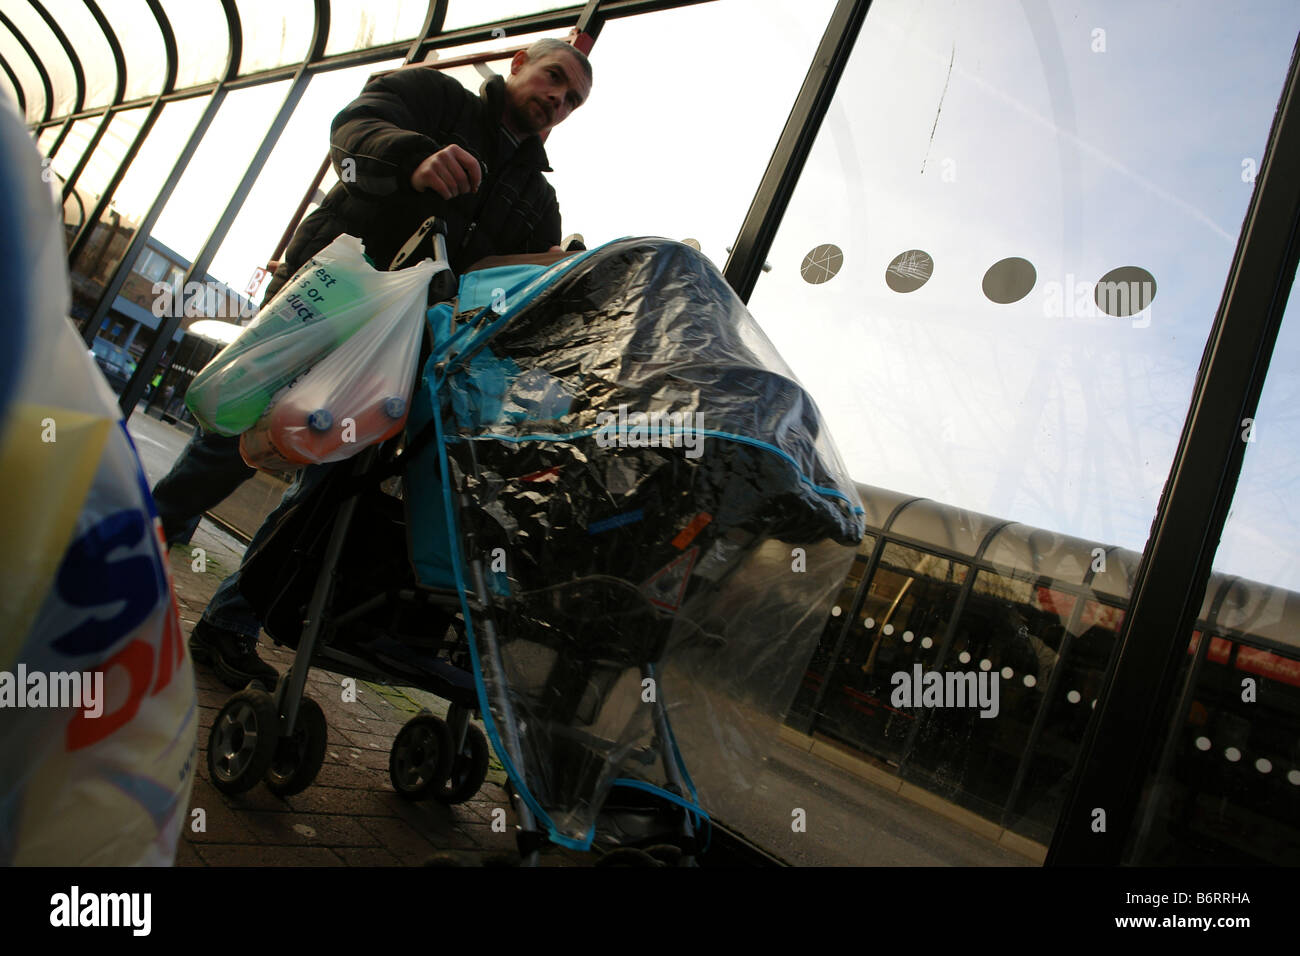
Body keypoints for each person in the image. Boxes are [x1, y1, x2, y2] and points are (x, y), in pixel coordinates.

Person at [154, 38, 593, 689]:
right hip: (335, 297)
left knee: (327, 478)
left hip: (405, 346)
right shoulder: (436, 100)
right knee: (235, 432)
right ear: (522, 62)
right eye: (555, 78)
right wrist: (414, 159)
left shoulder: (537, 201)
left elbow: (488, 286)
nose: (558, 99)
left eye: (572, 99)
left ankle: (230, 625)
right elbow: (353, 133)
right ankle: (145, 541)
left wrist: (545, 272)